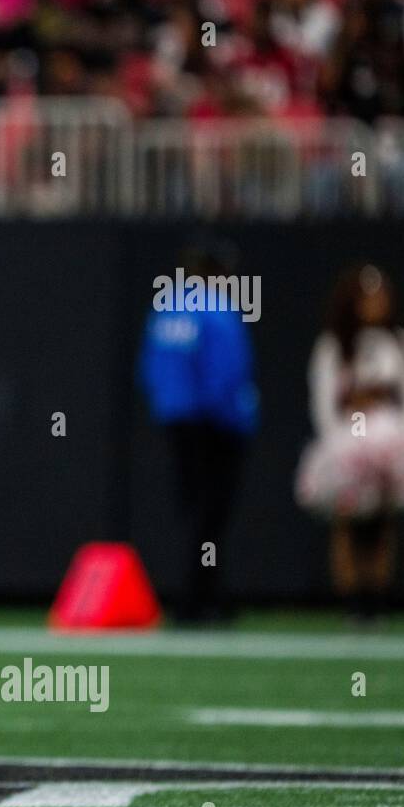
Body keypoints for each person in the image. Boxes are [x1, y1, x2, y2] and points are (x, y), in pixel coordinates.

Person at [140, 243, 258, 624]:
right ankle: (199, 598)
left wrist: (171, 406)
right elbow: (228, 372)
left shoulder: (168, 307)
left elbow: (151, 367)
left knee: (194, 511)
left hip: (177, 420)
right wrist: (229, 416)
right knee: (211, 513)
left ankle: (201, 594)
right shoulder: (216, 311)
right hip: (214, 424)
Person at [296, 264, 404, 624]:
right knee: (347, 523)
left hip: (389, 451)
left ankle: (376, 598)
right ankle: (353, 601)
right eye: (368, 297)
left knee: (380, 525)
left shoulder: (398, 344)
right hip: (347, 450)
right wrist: (342, 450)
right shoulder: (333, 347)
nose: (376, 303)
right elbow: (324, 402)